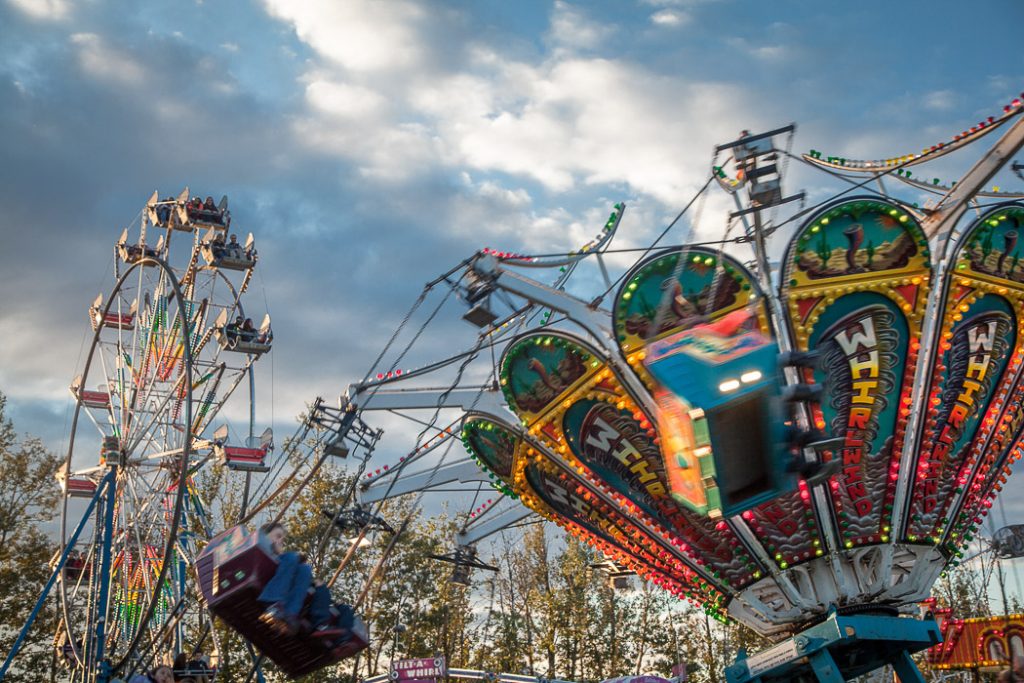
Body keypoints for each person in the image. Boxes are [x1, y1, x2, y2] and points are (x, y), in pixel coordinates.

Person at [256, 522, 345, 639]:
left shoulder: (286, 560)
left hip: (283, 581)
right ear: (265, 535)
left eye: (282, 538)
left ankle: (290, 614)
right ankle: (272, 603)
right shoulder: (261, 545)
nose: (281, 540)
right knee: (292, 557)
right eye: (278, 536)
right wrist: (276, 548)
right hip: (267, 574)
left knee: (305, 569)